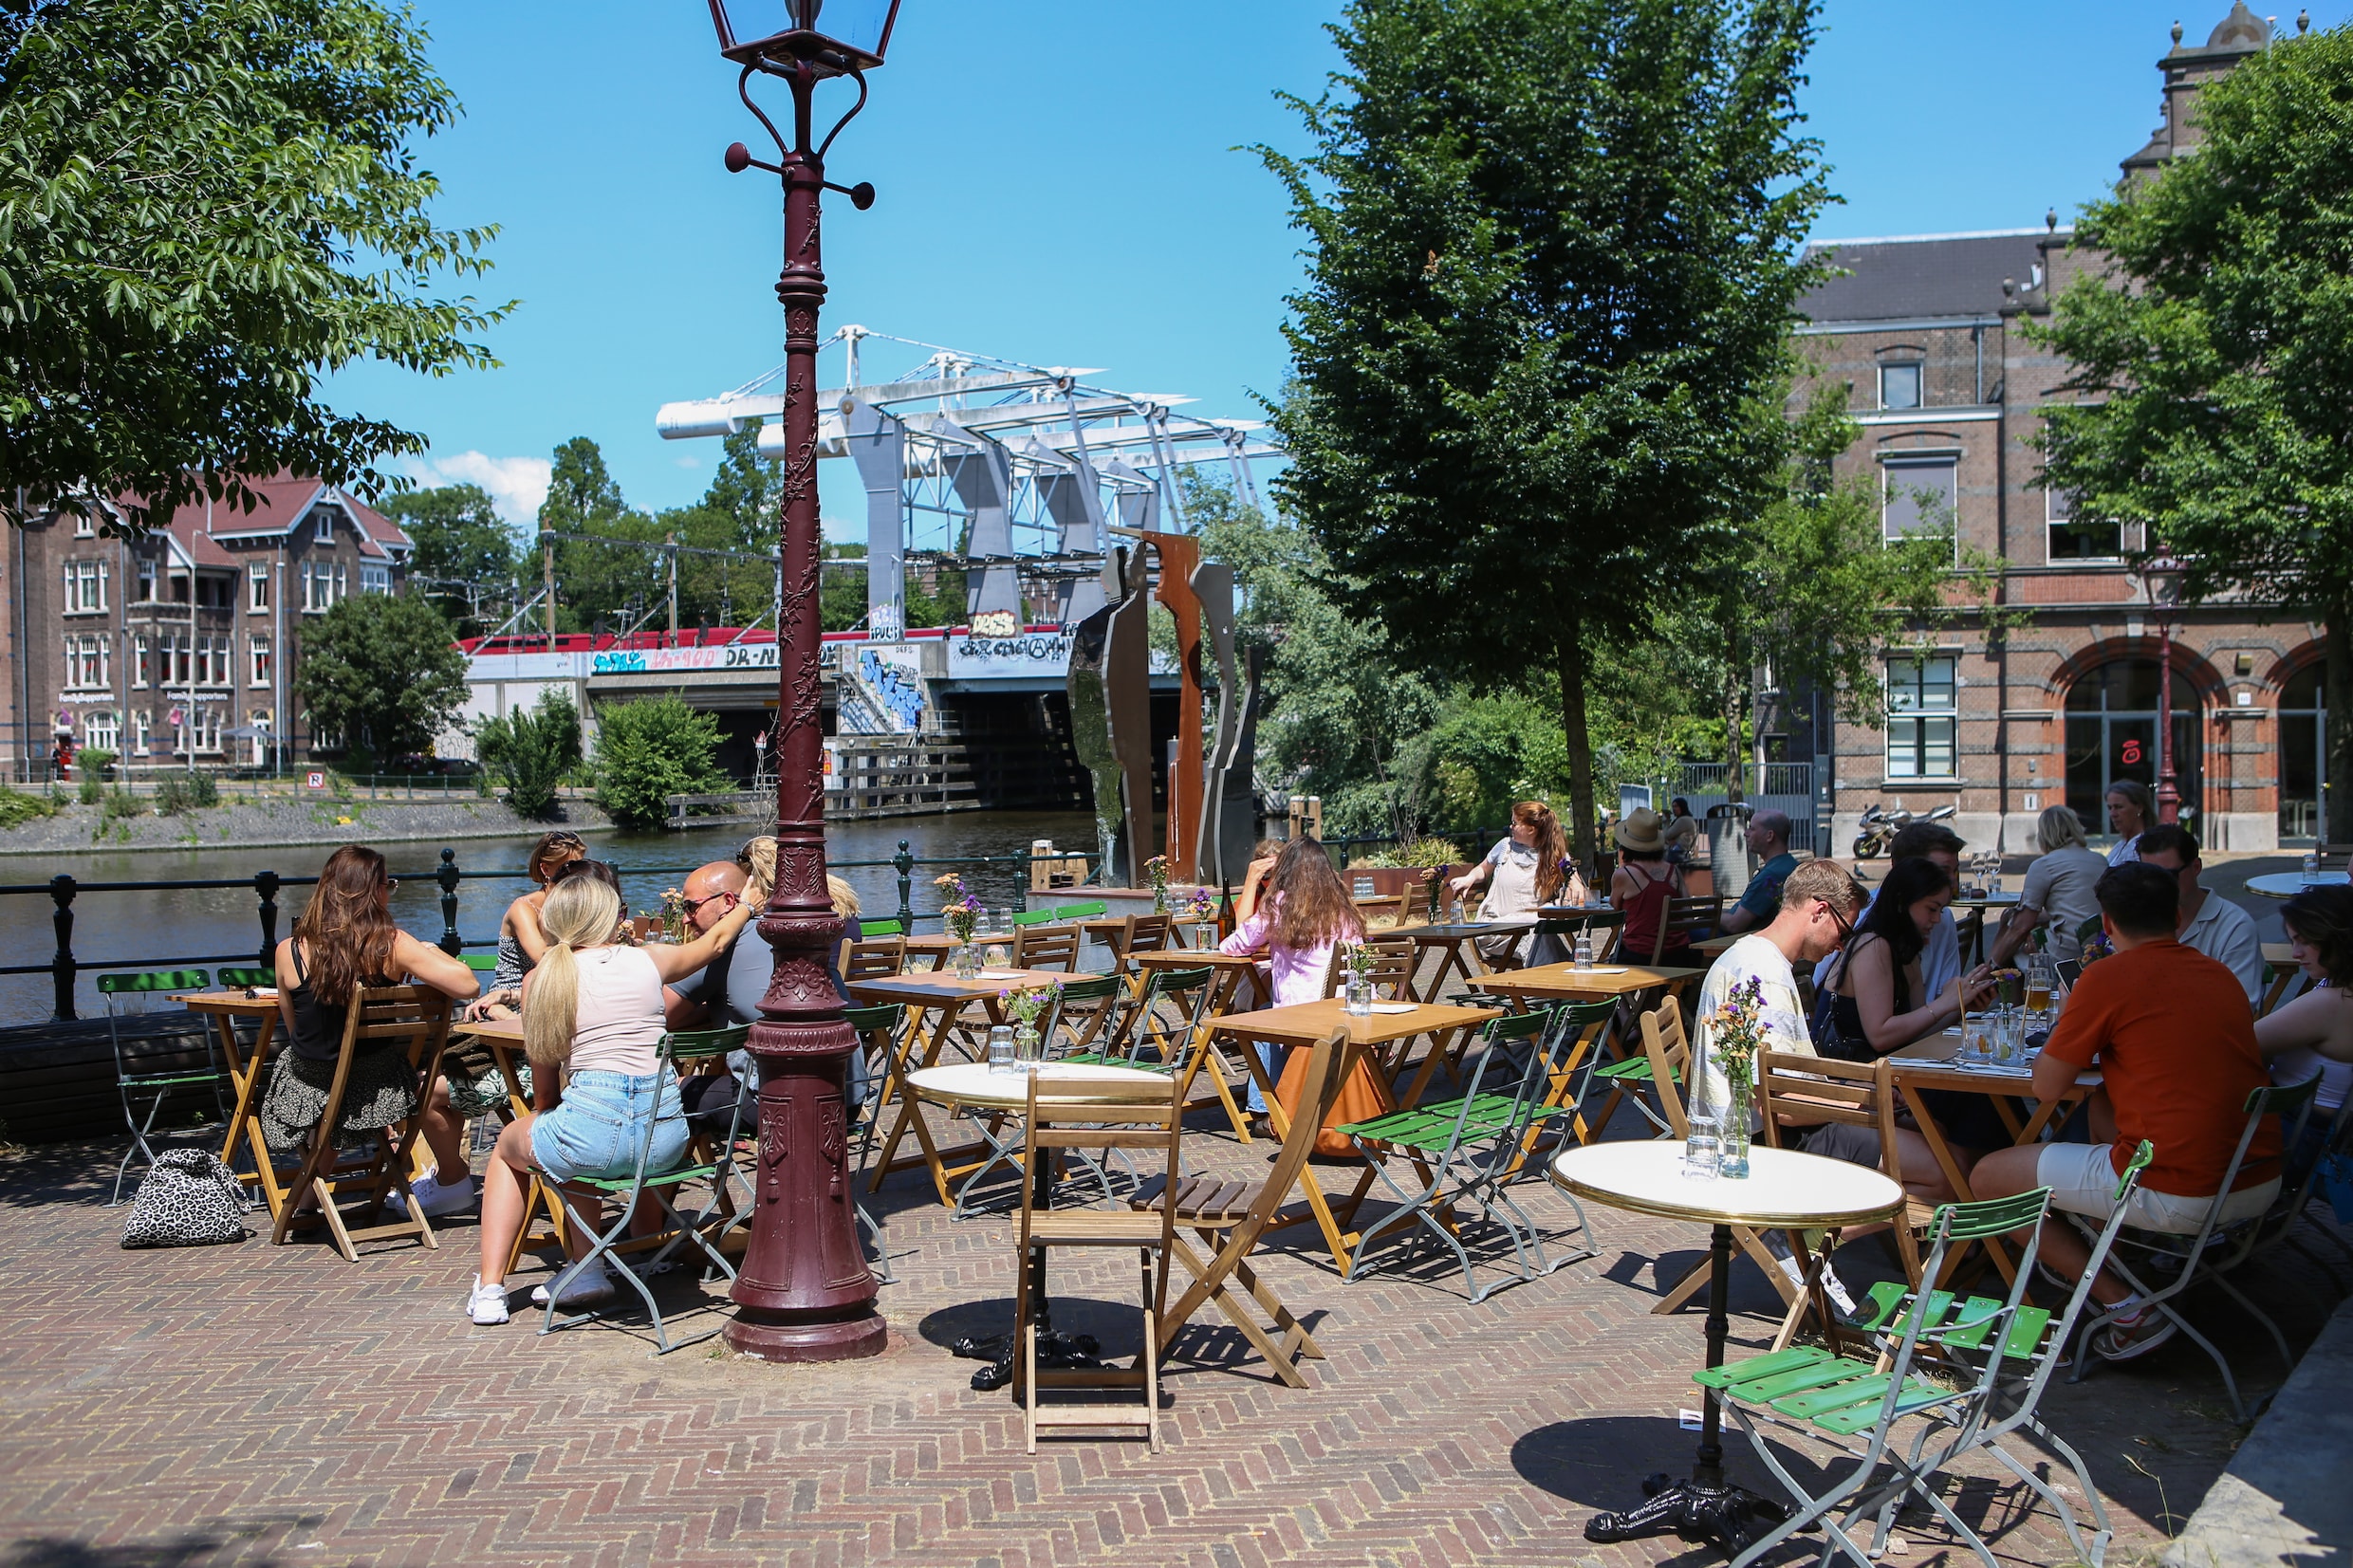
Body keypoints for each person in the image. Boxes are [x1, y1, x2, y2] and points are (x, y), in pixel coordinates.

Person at [1971, 863, 2284, 1362]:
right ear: (2178, 918)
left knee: (1987, 1178)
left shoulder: (2106, 978)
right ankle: (2121, 1262)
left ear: (2107, 924)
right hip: (2257, 1177)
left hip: (2182, 1189)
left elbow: (2046, 1085)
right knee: (2102, 1104)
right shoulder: (2219, 974)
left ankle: (2126, 1305)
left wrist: (2077, 1012)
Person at [468, 870, 754, 1324]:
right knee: (576, 1136)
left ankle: (491, 1289)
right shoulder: (648, 959)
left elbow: (544, 1094)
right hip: (665, 1144)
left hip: (592, 1137)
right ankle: (589, 1268)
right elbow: (715, 943)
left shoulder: (540, 980)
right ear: (612, 918)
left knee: (514, 1146)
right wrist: (747, 903)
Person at [257, 846, 479, 1161]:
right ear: (370, 893)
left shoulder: (288, 950)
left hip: (310, 1087)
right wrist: (429, 950)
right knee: (358, 1074)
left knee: (313, 1070)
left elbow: (296, 1031)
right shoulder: (390, 944)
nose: (389, 893)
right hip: (378, 1087)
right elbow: (468, 984)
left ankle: (308, 1194)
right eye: (387, 885)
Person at [1219, 838, 1364, 1138]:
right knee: (1268, 1011)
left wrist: (1250, 881)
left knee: (1261, 1016)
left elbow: (1233, 945)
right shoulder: (1344, 907)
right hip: (1349, 1016)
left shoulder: (1281, 904)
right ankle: (1287, 1097)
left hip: (1302, 1022)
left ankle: (1265, 1111)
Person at [2255, 885, 2353, 1168]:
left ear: (2335, 936)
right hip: (2325, 1139)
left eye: (2304, 940)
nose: (2295, 953)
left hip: (2294, 1138)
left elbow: (2239, 1044)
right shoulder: (2339, 992)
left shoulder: (2330, 1004)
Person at [1816, 821, 1968, 999]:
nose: (1953, 882)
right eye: (1941, 872)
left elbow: (1932, 1010)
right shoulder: (1860, 923)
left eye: (1955, 871)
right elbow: (1879, 1026)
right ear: (1902, 872)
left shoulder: (1943, 919)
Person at [2134, 824, 2263, 1008]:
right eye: (2148, 876)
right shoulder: (2134, 918)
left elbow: (2239, 1006)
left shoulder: (2235, 925)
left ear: (2196, 867)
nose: (2158, 886)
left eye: (2168, 875)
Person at [466, 831, 586, 1022]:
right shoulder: (524, 908)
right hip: (515, 998)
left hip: (556, 994)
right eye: (569, 868)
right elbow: (543, 958)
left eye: (582, 866)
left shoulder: (576, 905)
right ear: (546, 869)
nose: (579, 875)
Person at [1445, 801, 1584, 965]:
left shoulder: (1555, 855)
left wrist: (1561, 899)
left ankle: (1561, 978)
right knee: (1538, 934)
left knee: (1542, 933)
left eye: (1515, 823)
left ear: (1531, 829)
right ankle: (1552, 984)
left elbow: (1579, 893)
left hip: (1531, 926)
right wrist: (1469, 878)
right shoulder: (1505, 847)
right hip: (1496, 929)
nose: (1510, 827)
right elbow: (1483, 869)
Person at [1992, 805, 2107, 967]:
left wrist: (1993, 963)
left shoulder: (2044, 865)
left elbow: (2021, 927)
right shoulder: (2100, 860)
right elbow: (2077, 908)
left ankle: (2001, 980)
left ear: (2044, 834)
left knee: (2013, 954)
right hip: (2098, 948)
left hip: (2065, 952)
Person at [1610, 808, 1691, 963]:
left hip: (1640, 954)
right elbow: (1688, 914)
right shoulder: (1674, 872)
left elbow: (1615, 910)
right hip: (1680, 955)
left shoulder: (1624, 875)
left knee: (1614, 959)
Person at [1717, 810, 1799, 935]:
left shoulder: (1771, 876)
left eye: (1752, 829)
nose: (1746, 833)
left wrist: (1708, 915)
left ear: (1769, 836)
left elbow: (1734, 925)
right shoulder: (1792, 866)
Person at [1232, 838, 1286, 927]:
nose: (1272, 882)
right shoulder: (1254, 899)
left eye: (1278, 875)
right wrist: (1251, 882)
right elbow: (1241, 933)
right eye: (1266, 875)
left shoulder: (1299, 899)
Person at [2103, 781, 2153, 865]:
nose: (2112, 814)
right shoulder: (2120, 845)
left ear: (2139, 808)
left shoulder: (2147, 848)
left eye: (2119, 807)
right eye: (2110, 808)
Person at [1663, 798, 1699, 868]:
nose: (1674, 809)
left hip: (1679, 854)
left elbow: (1667, 835)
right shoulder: (1689, 818)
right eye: (1673, 806)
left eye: (1676, 806)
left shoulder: (1683, 820)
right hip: (1685, 853)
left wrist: (1666, 821)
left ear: (1682, 807)